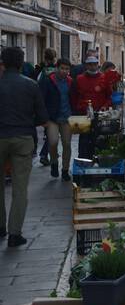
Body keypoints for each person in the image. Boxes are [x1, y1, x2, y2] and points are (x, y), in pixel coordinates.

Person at [0, 45, 48, 247]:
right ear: (21, 64)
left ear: (3, 63)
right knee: (20, 188)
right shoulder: (30, 85)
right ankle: (14, 233)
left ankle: (0, 228)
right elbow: (43, 117)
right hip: (22, 137)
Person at [39, 57, 74, 181]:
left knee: (67, 144)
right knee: (53, 142)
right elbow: (41, 99)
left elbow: (73, 98)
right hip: (52, 118)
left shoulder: (70, 81)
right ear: (57, 68)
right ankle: (54, 163)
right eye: (62, 68)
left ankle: (65, 169)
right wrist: (43, 119)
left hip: (66, 117)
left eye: (67, 69)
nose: (65, 71)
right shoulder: (48, 80)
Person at [36, 48, 57, 164]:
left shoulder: (42, 72)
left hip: (44, 105)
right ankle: (45, 153)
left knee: (49, 131)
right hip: (54, 105)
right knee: (52, 132)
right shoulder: (57, 71)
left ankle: (48, 152)